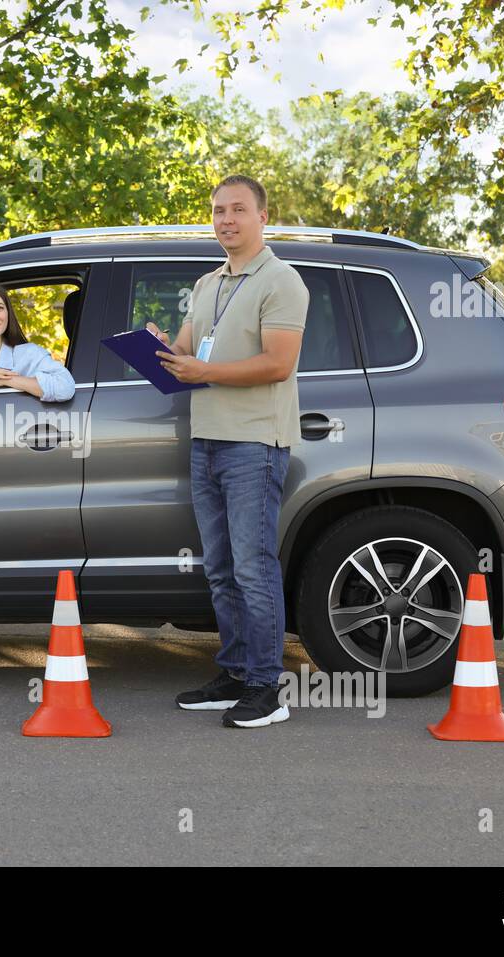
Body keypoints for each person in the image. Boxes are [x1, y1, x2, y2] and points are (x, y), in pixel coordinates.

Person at [148, 175, 309, 729]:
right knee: (219, 569)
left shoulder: (282, 281)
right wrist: (159, 350)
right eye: (218, 210)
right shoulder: (207, 282)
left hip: (254, 445)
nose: (226, 220)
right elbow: (187, 351)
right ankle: (236, 672)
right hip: (207, 441)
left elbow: (277, 364)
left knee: (253, 568)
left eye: (238, 210)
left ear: (264, 216)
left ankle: (268, 688)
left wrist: (202, 369)